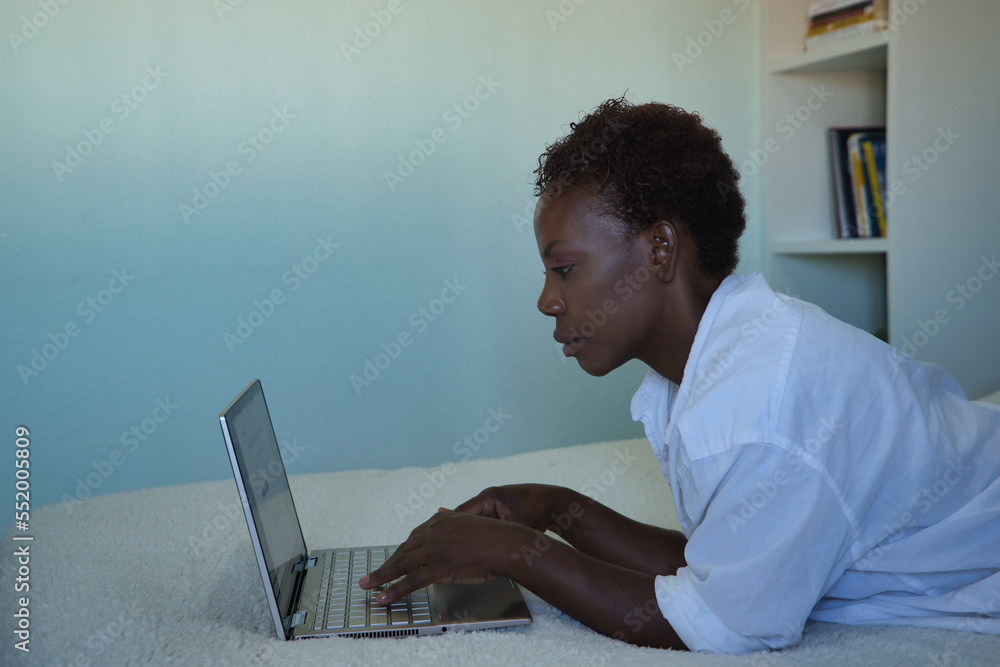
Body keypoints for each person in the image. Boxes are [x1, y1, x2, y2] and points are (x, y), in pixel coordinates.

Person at [360, 96, 1000, 653]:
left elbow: (718, 622)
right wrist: (555, 506)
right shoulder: (720, 362)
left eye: (564, 269)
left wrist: (507, 552)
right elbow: (716, 566)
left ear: (659, 249)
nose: (546, 301)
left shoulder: (761, 406)